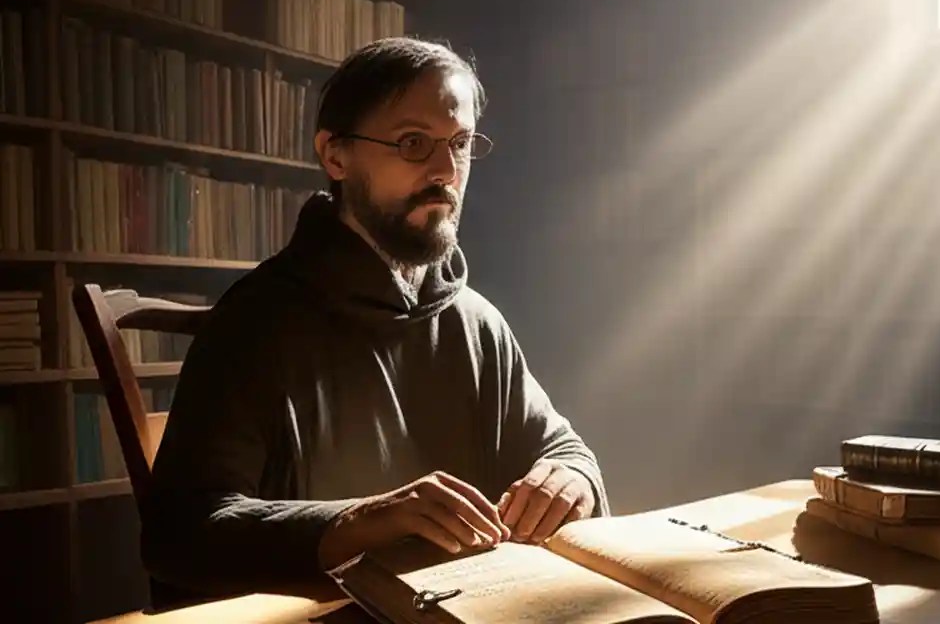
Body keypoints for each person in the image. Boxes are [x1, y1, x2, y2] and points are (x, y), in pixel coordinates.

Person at [141, 37, 608, 600]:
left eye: (459, 144)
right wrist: (357, 522)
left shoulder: (476, 322)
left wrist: (570, 479)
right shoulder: (254, 323)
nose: (445, 170)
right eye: (414, 143)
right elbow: (177, 537)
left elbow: (562, 449)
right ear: (335, 156)